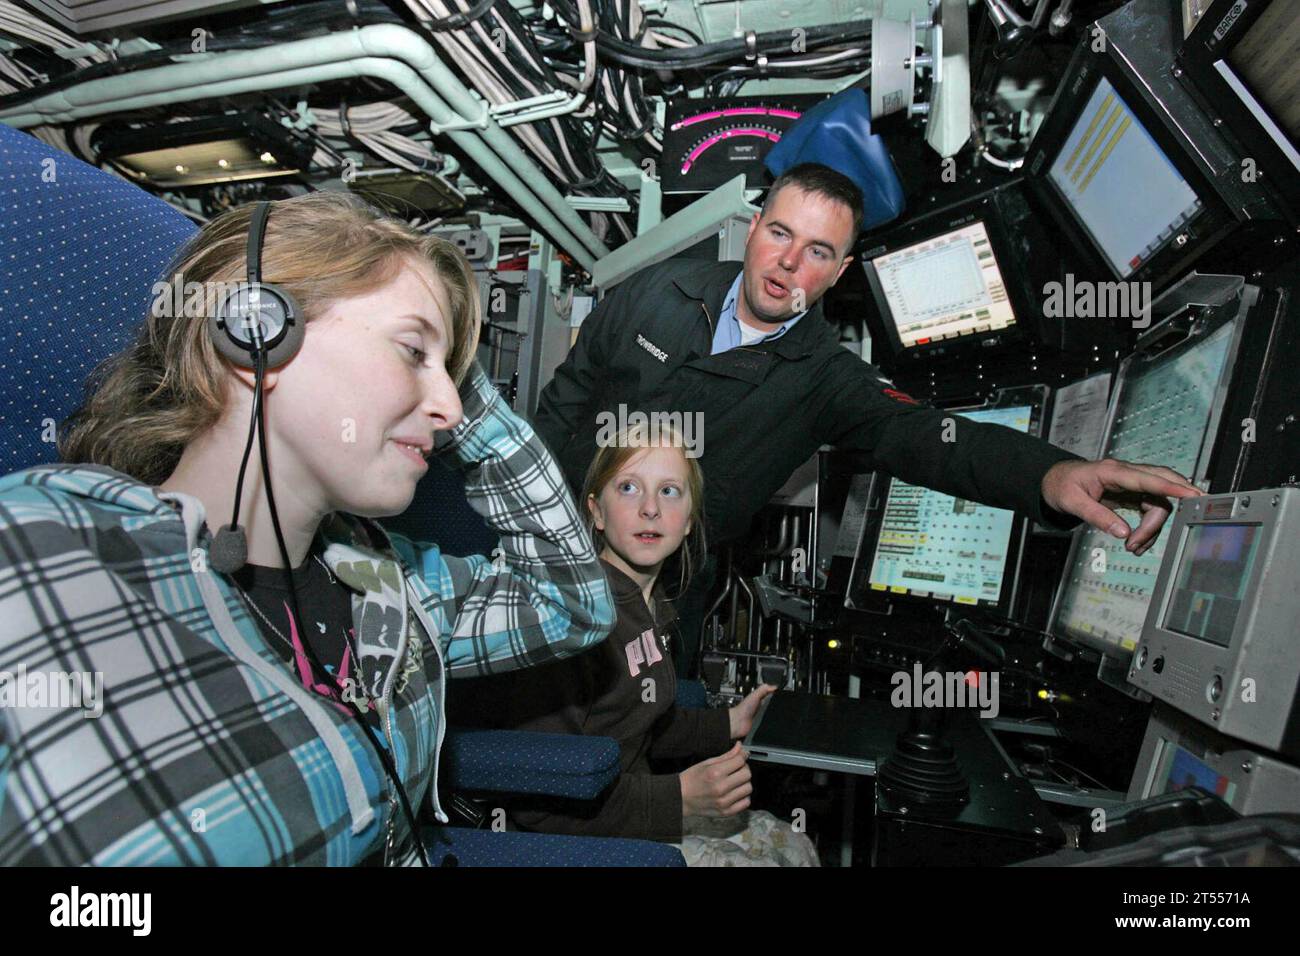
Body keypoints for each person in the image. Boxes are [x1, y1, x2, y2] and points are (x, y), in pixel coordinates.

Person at [0, 192, 614, 866]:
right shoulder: (41, 550)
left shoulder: (393, 590)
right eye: (413, 350)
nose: (449, 410)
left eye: (455, 380)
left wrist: (454, 379)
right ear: (258, 334)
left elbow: (570, 602)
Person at [532, 161, 1203, 675]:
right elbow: (570, 394)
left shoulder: (826, 380)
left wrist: (1054, 476)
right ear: (756, 226)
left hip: (665, 595)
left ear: (839, 271)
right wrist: (543, 521)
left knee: (623, 752)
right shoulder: (657, 289)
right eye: (780, 233)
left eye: (818, 252)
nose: (788, 263)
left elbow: (932, 440)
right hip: (552, 545)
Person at [451, 423, 819, 865]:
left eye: (669, 492)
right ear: (596, 512)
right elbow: (539, 796)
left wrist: (728, 723)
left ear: (688, 522)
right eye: (628, 487)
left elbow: (643, 721)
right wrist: (677, 798)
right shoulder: (570, 620)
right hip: (575, 839)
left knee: (794, 844)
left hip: (628, 814)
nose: (650, 508)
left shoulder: (651, 607)